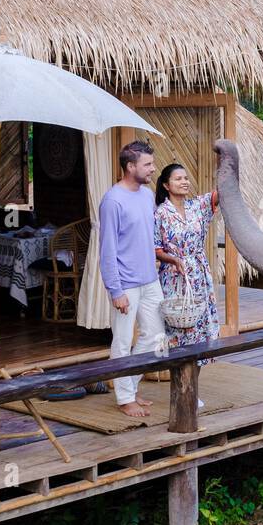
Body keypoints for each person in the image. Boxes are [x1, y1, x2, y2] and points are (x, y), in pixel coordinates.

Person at [98, 140, 181, 419]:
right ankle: (124, 398)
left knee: (157, 337)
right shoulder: (112, 201)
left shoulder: (146, 196)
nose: (153, 169)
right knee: (122, 341)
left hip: (150, 280)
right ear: (130, 166)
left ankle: (130, 389)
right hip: (125, 285)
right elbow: (107, 250)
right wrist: (115, 290)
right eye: (147, 164)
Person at [153, 163, 220, 407]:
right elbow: (156, 248)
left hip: (199, 277)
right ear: (166, 185)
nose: (184, 181)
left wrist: (227, 164)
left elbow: (220, 193)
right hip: (174, 278)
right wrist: (173, 259)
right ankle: (179, 389)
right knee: (178, 335)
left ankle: (191, 391)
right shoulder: (161, 213)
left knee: (199, 333)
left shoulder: (197, 207)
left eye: (185, 178)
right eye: (178, 178)